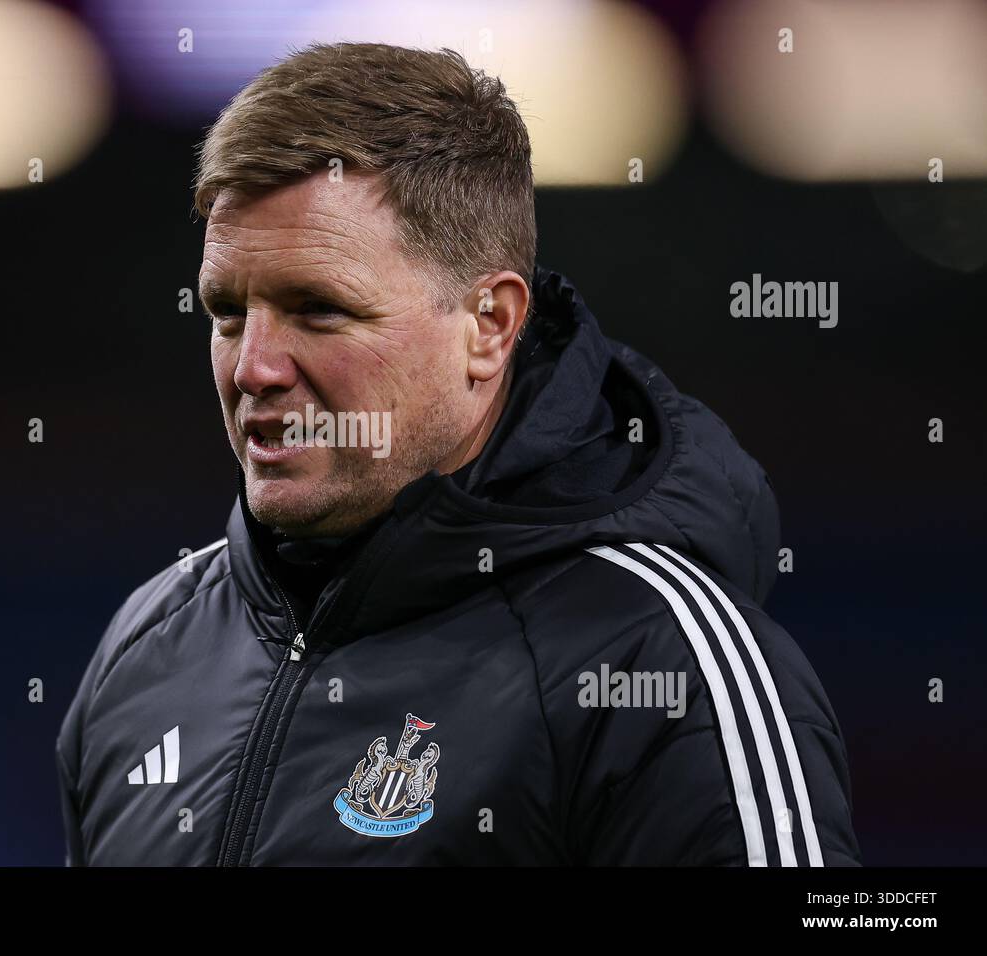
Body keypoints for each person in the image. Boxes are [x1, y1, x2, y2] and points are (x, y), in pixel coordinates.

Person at [56, 42, 861, 866]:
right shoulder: (145, 648)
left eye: (319, 310)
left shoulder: (659, 664)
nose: (255, 366)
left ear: (489, 327)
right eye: (228, 313)